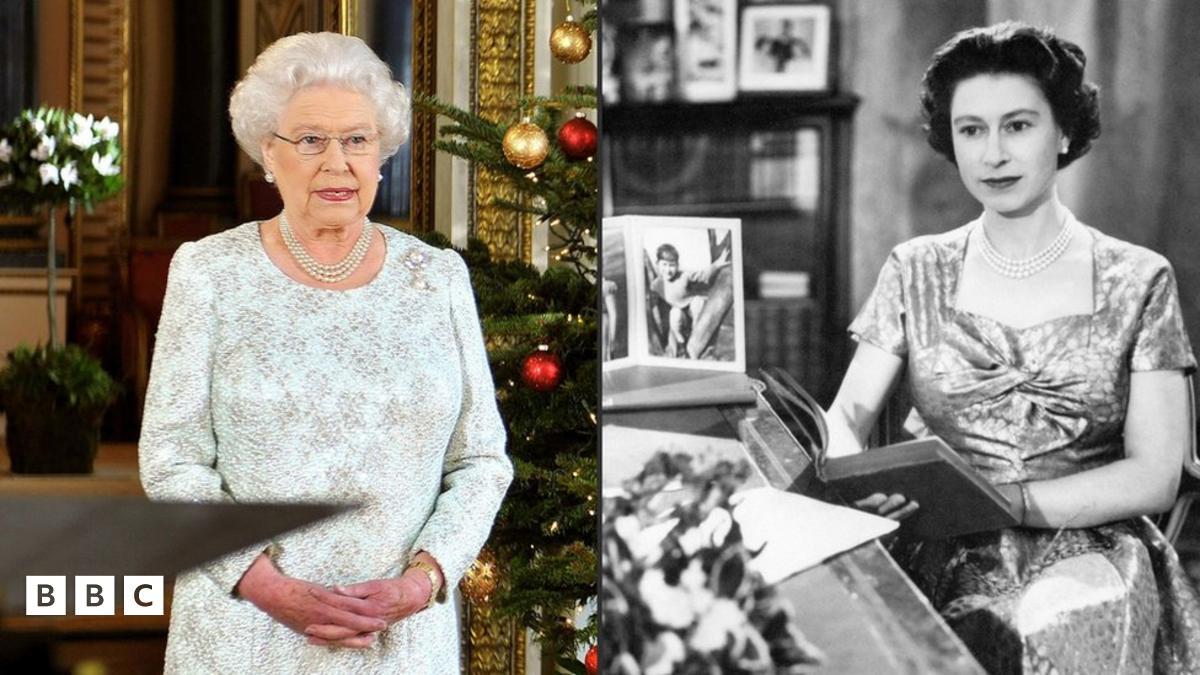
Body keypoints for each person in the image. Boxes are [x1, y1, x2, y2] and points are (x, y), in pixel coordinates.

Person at [826, 22, 1200, 673]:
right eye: (971, 130)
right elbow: (846, 417)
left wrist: (1013, 503)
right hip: (938, 538)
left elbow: (1157, 473)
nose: (993, 154)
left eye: (1018, 126)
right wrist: (855, 480)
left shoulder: (1139, 279)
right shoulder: (916, 268)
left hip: (1089, 546)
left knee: (1039, 630)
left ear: (1064, 132)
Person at [139, 32, 512, 673]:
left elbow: (480, 460)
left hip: (399, 643)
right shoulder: (209, 272)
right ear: (269, 152)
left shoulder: (438, 278)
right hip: (245, 635)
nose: (336, 163)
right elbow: (172, 461)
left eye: (357, 140)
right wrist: (269, 589)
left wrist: (421, 582)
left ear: (380, 153)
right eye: (311, 140)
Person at [648, 242, 730, 357]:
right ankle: (681, 343)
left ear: (677, 265)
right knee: (674, 313)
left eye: (672, 265)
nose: (668, 269)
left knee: (697, 301)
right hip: (680, 313)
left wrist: (717, 264)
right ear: (657, 264)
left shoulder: (684, 276)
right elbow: (653, 302)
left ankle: (695, 334)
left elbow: (702, 275)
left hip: (692, 309)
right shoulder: (656, 285)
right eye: (664, 264)